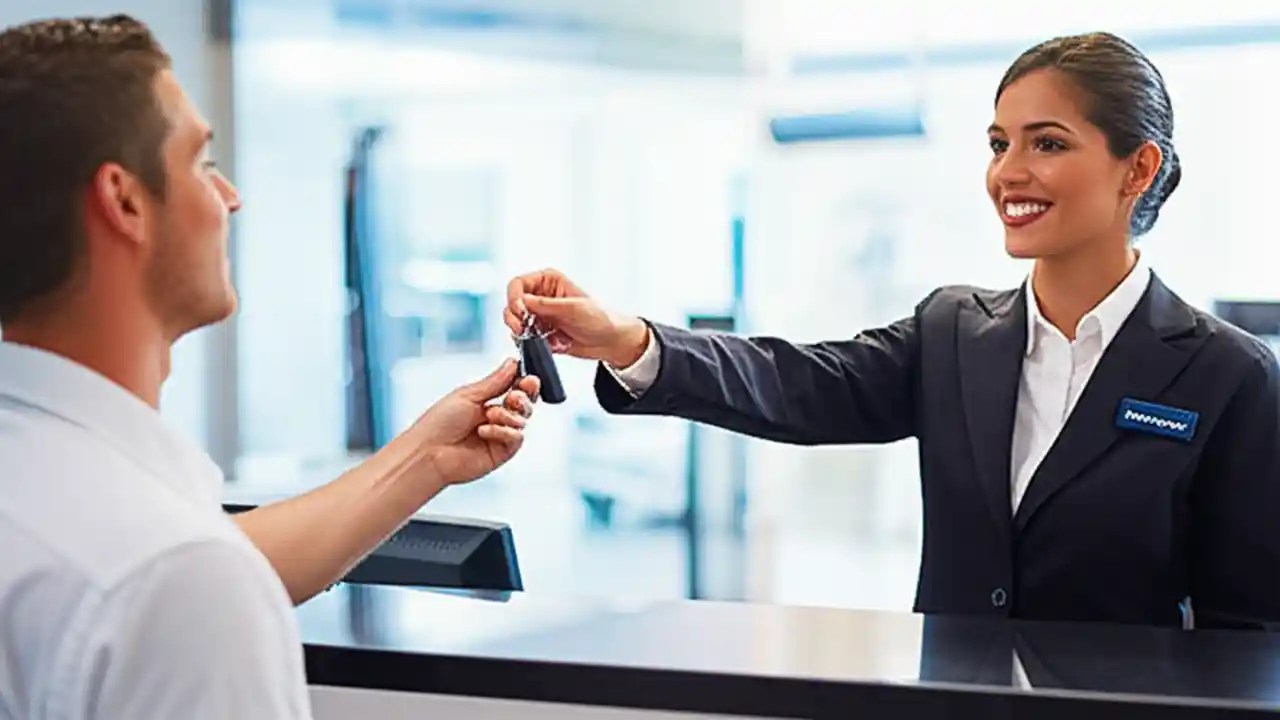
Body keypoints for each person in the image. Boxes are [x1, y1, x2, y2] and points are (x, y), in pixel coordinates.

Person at [507, 32, 1280, 630]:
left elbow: (1246, 630)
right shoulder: (953, 332)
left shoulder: (1228, 374)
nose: (1008, 172)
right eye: (998, 143)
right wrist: (622, 338)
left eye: (1047, 143)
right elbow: (797, 384)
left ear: (1136, 168)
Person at [0, 14, 538, 719]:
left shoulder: (55, 495)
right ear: (124, 201)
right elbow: (188, 574)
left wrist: (425, 458)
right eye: (201, 162)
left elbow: (208, 558)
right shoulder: (172, 576)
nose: (230, 197)